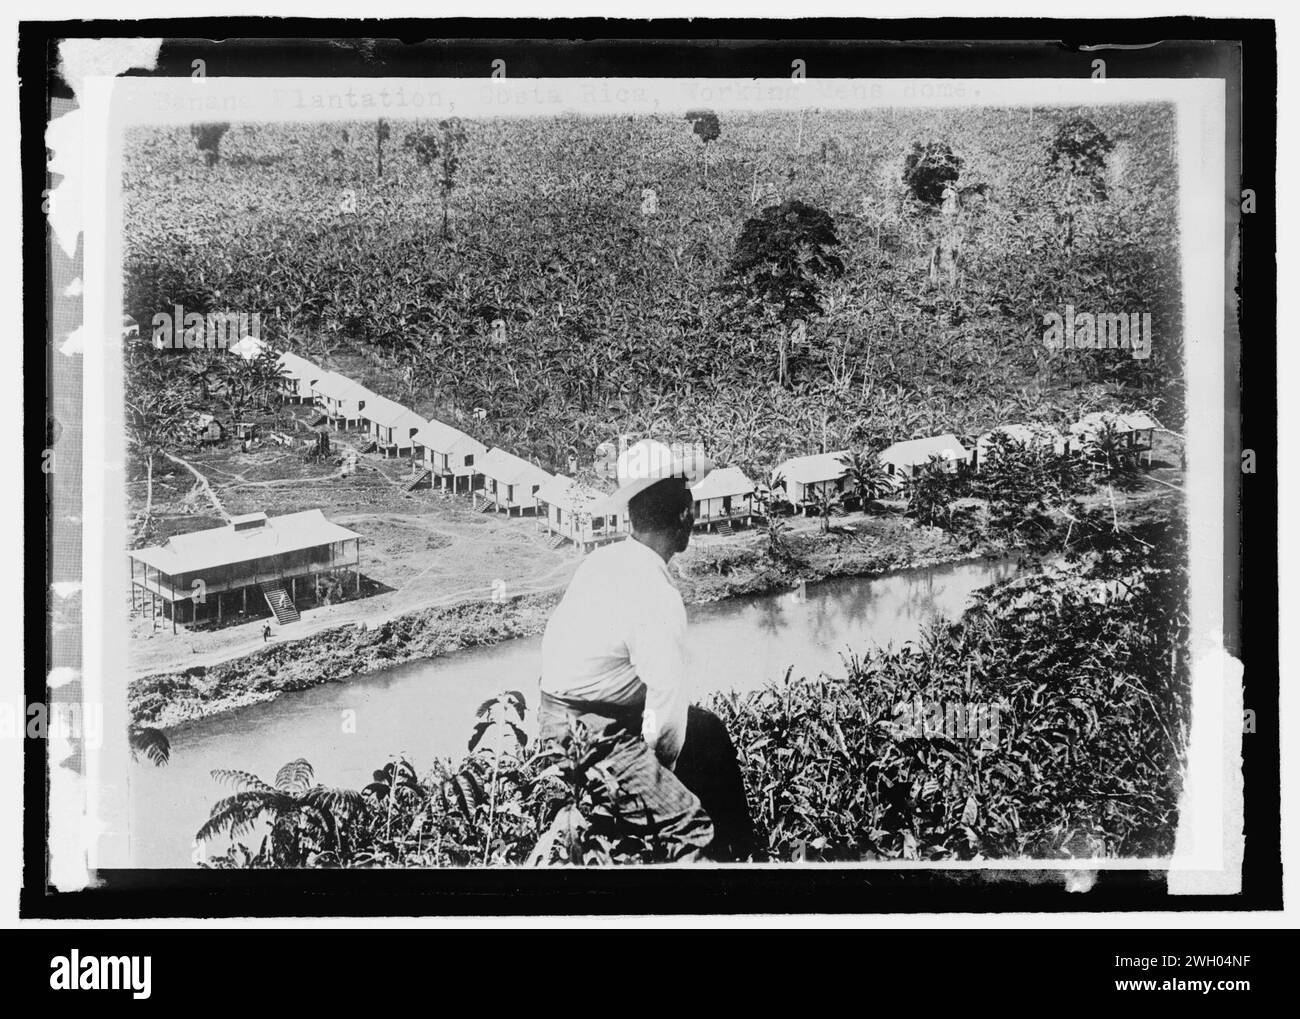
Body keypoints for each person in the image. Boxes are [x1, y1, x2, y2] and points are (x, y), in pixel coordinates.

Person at [537, 439, 756, 862]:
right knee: (689, 828)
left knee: (709, 733)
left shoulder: (608, 561)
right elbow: (667, 713)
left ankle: (747, 858)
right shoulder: (654, 592)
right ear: (685, 514)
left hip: (573, 713)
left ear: (632, 517)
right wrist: (659, 780)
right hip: (586, 728)